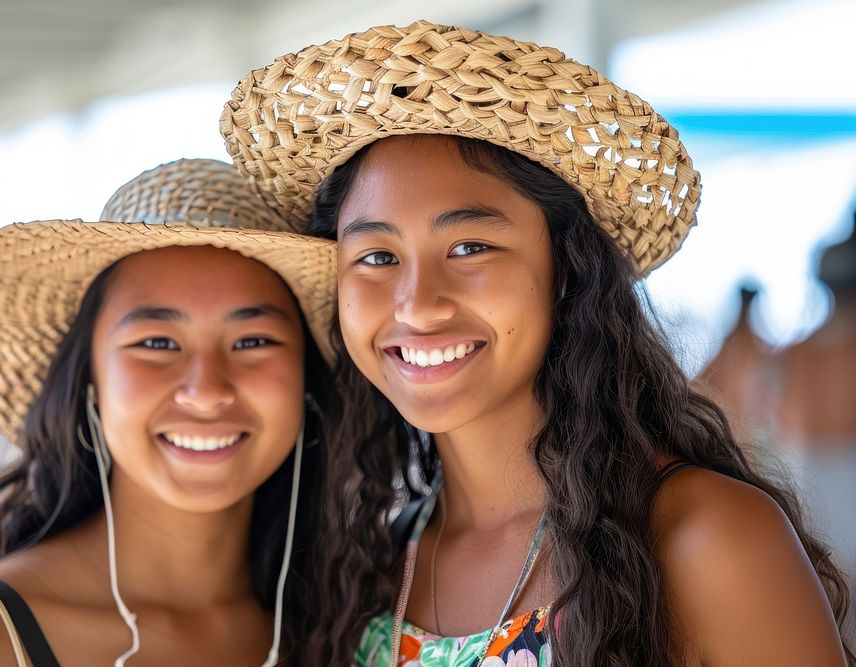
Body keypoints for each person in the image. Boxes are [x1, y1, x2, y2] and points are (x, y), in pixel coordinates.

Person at [221, 21, 855, 666]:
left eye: (470, 247)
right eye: (377, 255)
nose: (416, 303)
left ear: (567, 271)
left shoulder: (703, 538)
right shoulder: (365, 569)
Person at [0, 158, 337, 666]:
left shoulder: (353, 623)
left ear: (307, 376)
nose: (206, 390)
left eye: (254, 340)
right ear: (89, 379)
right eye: (156, 342)